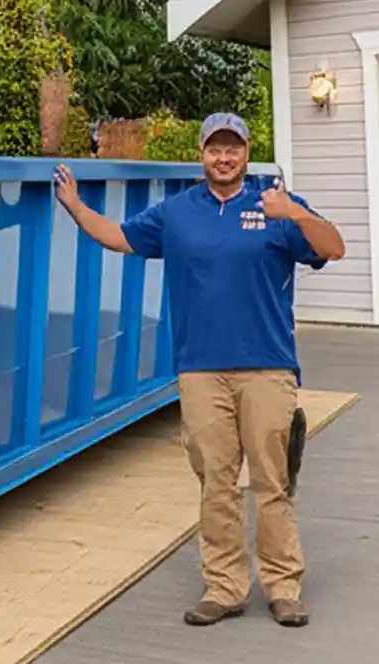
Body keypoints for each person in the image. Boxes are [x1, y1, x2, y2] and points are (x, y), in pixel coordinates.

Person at [53, 112, 345, 628]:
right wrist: (75, 205)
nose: (224, 157)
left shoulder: (274, 204)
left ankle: (282, 586)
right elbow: (120, 237)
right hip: (201, 370)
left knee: (272, 482)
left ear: (247, 153)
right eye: (215, 148)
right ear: (202, 154)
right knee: (216, 482)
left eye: (233, 148)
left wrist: (294, 214)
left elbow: (332, 248)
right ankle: (225, 586)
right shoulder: (177, 213)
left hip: (267, 367)